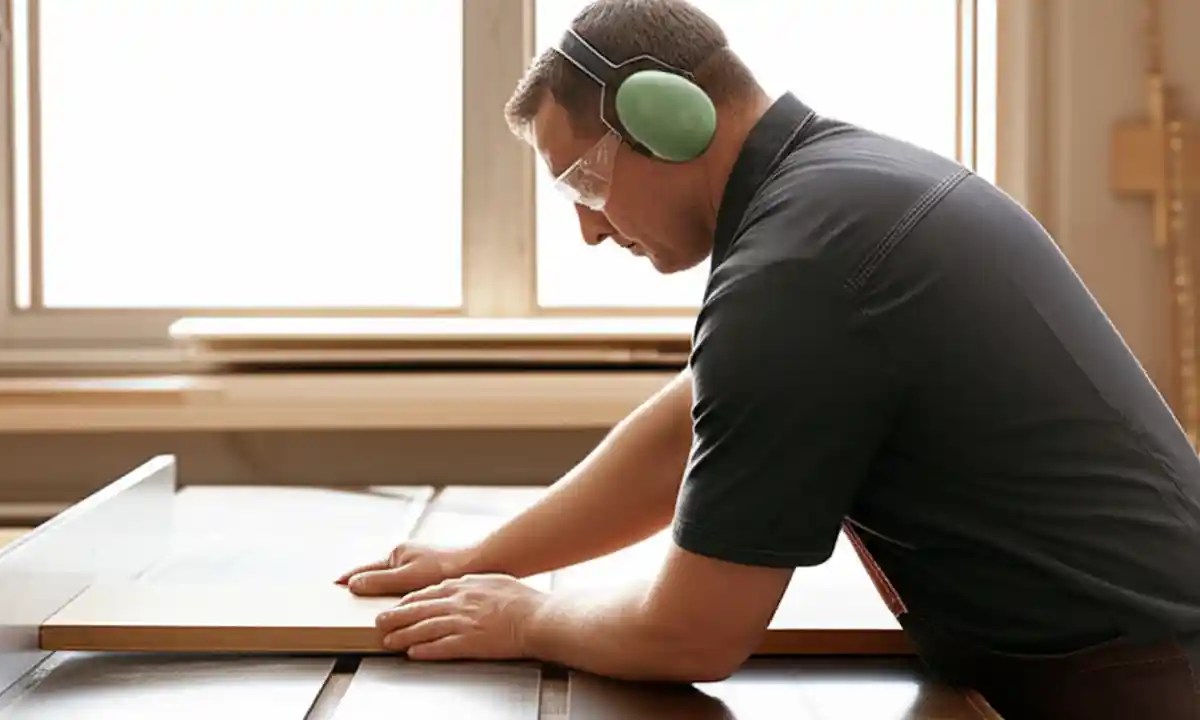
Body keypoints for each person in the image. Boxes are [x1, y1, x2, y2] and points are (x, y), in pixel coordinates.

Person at [338, 1, 1200, 716]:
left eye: (585, 184)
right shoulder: (836, 195)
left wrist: (530, 619)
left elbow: (695, 634)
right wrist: (482, 559)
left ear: (665, 119)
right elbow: (695, 423)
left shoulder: (799, 270)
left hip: (1136, 690)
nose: (589, 228)